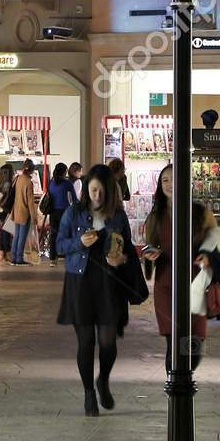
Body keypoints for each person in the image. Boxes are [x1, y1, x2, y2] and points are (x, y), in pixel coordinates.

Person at [143, 163, 220, 371]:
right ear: (160, 186)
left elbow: (216, 239)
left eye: (174, 178)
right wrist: (150, 254)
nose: (170, 184)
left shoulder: (200, 213)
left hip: (195, 284)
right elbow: (150, 245)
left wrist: (208, 256)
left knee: (194, 345)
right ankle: (175, 391)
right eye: (165, 180)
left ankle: (183, 382)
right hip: (166, 286)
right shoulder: (156, 217)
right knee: (173, 344)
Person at [55, 164, 136, 416]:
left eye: (101, 191)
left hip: (109, 283)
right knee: (86, 341)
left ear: (110, 191)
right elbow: (59, 246)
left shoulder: (118, 217)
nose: (96, 196)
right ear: (86, 189)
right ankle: (89, 392)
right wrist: (79, 242)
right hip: (80, 281)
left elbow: (128, 250)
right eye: (92, 190)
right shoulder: (73, 213)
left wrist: (120, 259)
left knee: (108, 342)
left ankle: (104, 379)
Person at [44, 162, 77, 265]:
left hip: (53, 212)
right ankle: (65, 254)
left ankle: (53, 259)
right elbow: (75, 199)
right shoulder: (67, 183)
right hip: (65, 212)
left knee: (53, 235)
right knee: (66, 233)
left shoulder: (51, 183)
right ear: (64, 172)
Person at [10, 159, 38, 265]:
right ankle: (19, 258)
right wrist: (34, 217)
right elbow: (30, 202)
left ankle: (14, 257)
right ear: (32, 170)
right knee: (22, 236)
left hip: (16, 210)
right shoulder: (28, 182)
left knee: (16, 235)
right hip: (24, 212)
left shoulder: (19, 178)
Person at [0, 162, 16, 262]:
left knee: (3, 232)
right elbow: (8, 196)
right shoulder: (8, 183)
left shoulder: (1, 182)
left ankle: (1, 253)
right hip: (5, 209)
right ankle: (5, 253)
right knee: (6, 232)